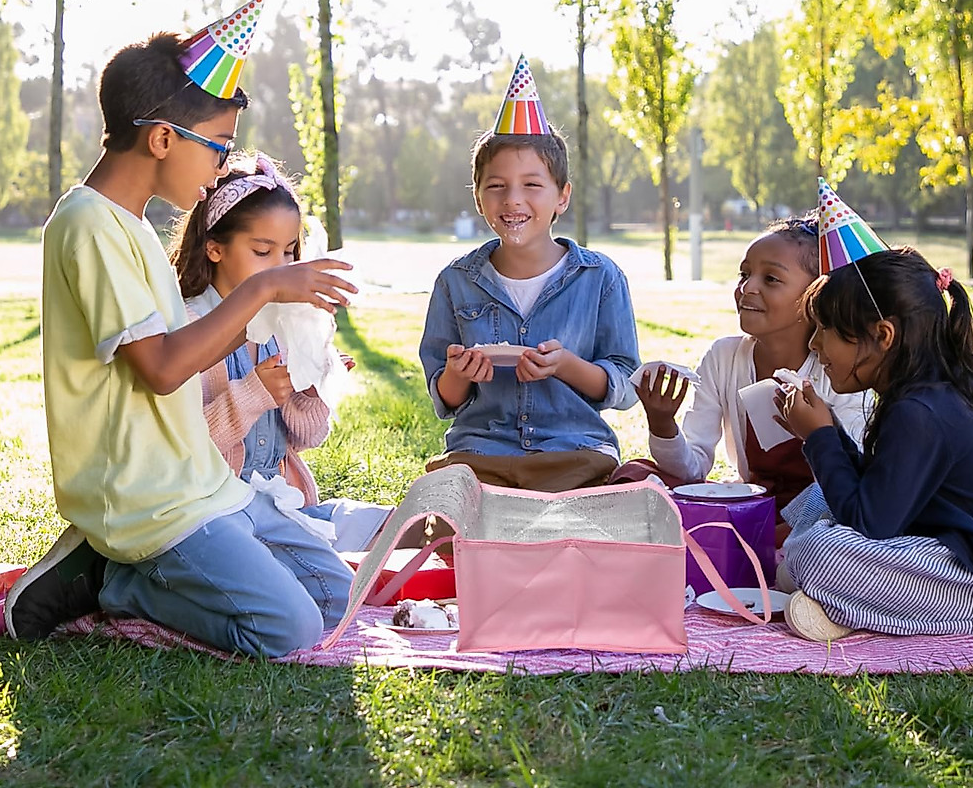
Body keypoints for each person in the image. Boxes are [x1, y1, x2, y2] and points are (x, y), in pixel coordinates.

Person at [5, 0, 359, 657]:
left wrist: (285, 322)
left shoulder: (133, 226)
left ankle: (143, 574)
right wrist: (261, 288)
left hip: (201, 480)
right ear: (164, 138)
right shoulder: (88, 224)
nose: (221, 166)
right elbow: (163, 366)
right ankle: (119, 584)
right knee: (291, 630)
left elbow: (192, 353)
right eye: (217, 147)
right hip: (148, 501)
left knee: (337, 598)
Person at [775, 191, 973, 642]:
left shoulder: (921, 411)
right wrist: (829, 428)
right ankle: (853, 608)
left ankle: (855, 612)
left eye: (826, 332)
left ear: (882, 335)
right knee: (816, 507)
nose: (814, 346)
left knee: (816, 552)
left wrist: (818, 438)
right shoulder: (925, 393)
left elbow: (868, 523)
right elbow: (882, 495)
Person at [418, 55, 640, 491]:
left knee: (589, 514)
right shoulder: (455, 281)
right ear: (479, 199)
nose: (512, 200)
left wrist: (567, 366)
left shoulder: (600, 278)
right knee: (449, 507)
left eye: (532, 185)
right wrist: (459, 375)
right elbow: (444, 397)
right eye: (496, 186)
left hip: (573, 450)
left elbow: (623, 384)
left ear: (562, 196)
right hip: (481, 450)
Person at [169, 152, 390, 551]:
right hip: (220, 519)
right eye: (262, 251)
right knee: (326, 581)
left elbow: (304, 439)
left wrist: (309, 394)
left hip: (287, 508)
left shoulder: (284, 325)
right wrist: (254, 394)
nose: (281, 267)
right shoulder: (189, 327)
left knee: (393, 526)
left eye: (288, 252)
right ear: (215, 248)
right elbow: (185, 453)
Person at [617, 217, 871, 530]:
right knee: (635, 475)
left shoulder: (839, 370)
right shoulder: (723, 357)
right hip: (748, 507)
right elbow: (692, 470)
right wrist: (662, 425)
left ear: (817, 294)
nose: (747, 288)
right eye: (745, 273)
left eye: (771, 279)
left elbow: (852, 480)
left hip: (818, 516)